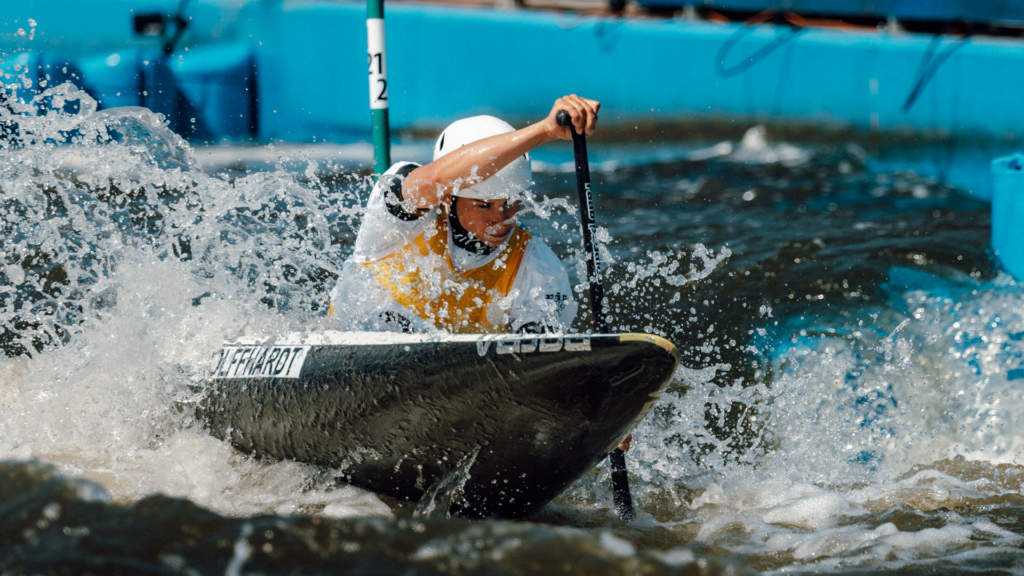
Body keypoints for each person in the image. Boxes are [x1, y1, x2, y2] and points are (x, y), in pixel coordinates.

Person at [329, 95, 601, 335]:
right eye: (484, 205)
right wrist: (545, 131)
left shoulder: (535, 265)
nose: (503, 218)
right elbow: (436, 177)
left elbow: (539, 361)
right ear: (448, 197)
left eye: (511, 202)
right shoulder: (399, 213)